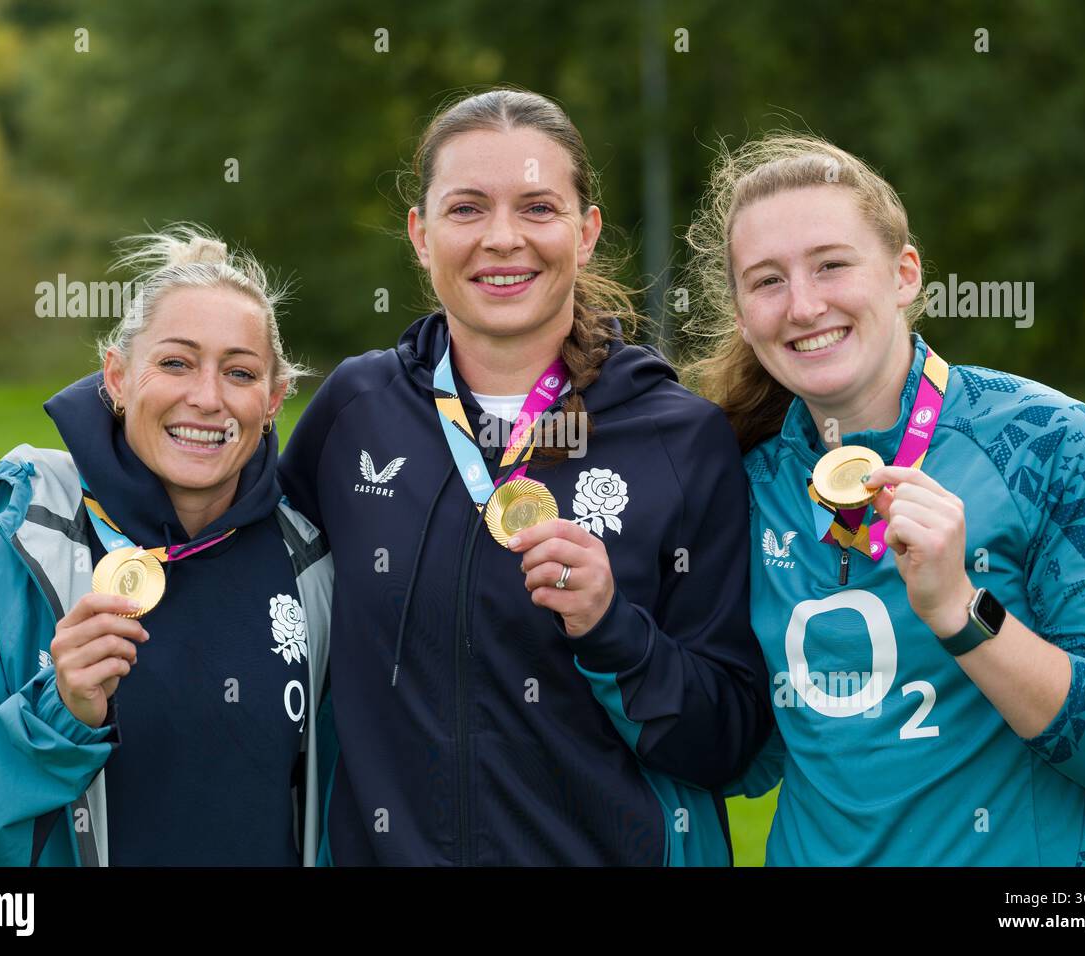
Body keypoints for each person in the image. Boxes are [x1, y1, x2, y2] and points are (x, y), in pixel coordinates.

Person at [279, 88, 772, 865]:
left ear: (586, 232)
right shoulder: (354, 413)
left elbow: (732, 741)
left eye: (538, 208)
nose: (502, 238)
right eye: (467, 209)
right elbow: (232, 572)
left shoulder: (680, 438)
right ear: (421, 235)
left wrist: (613, 630)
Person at [684, 133, 1085, 865]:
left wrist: (961, 611)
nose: (804, 305)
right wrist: (605, 629)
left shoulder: (1053, 443)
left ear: (904, 274)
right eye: (767, 281)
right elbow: (741, 758)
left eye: (831, 265)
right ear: (741, 312)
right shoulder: (742, 484)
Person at [0, 227, 333, 865]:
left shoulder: (317, 569)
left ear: (273, 400)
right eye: (174, 363)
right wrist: (55, 717)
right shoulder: (6, 559)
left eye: (239, 372)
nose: (207, 398)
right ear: (117, 378)